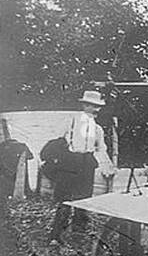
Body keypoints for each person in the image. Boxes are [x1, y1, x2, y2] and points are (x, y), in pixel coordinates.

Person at [47, 89, 117, 240]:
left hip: (87, 164)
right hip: (69, 163)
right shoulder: (71, 121)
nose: (96, 110)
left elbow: (101, 149)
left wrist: (108, 165)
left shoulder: (97, 128)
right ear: (84, 105)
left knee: (84, 200)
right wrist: (56, 159)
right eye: (92, 106)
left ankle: (78, 234)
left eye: (98, 106)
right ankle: (56, 235)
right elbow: (56, 141)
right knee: (64, 201)